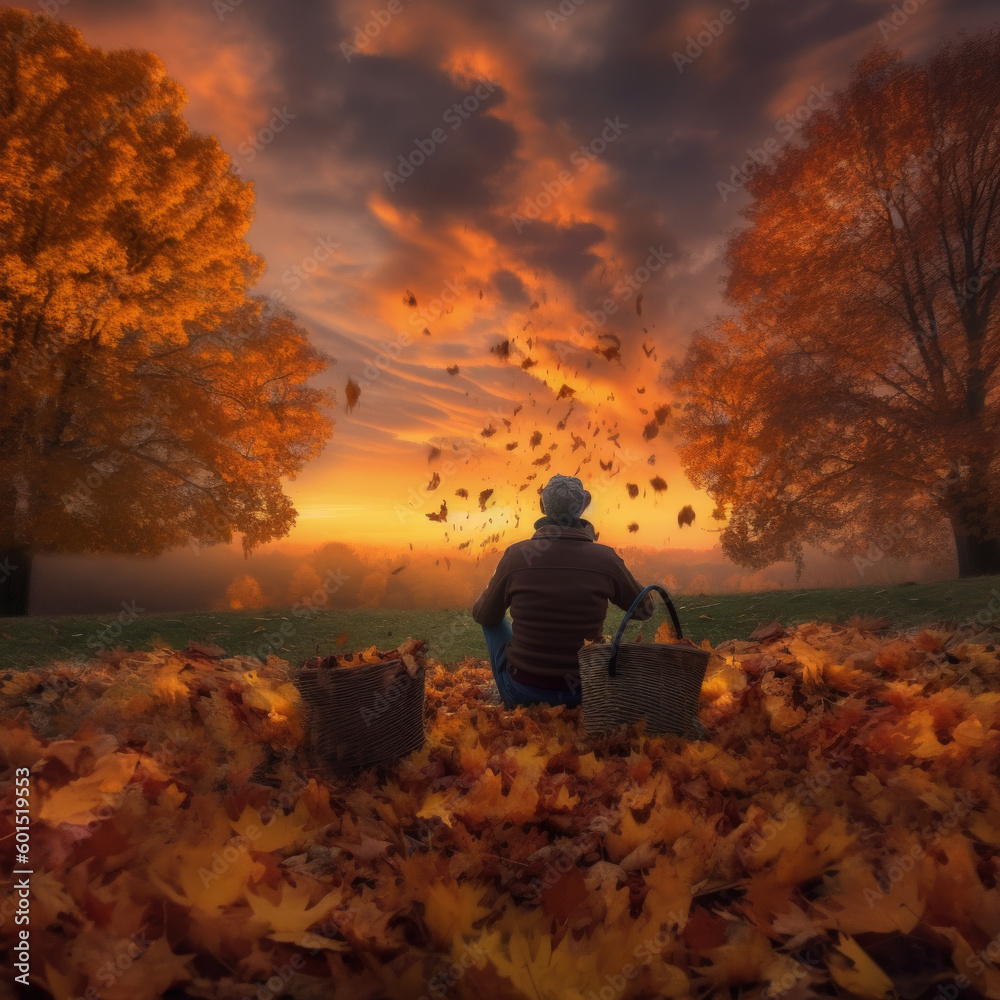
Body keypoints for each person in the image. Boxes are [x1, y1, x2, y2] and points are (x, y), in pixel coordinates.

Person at [472, 473, 654, 708]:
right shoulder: (606, 558)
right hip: (584, 693)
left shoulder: (517, 555)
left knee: (492, 620)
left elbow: (482, 615)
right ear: (582, 509)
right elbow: (645, 610)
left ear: (542, 508)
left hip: (522, 693)